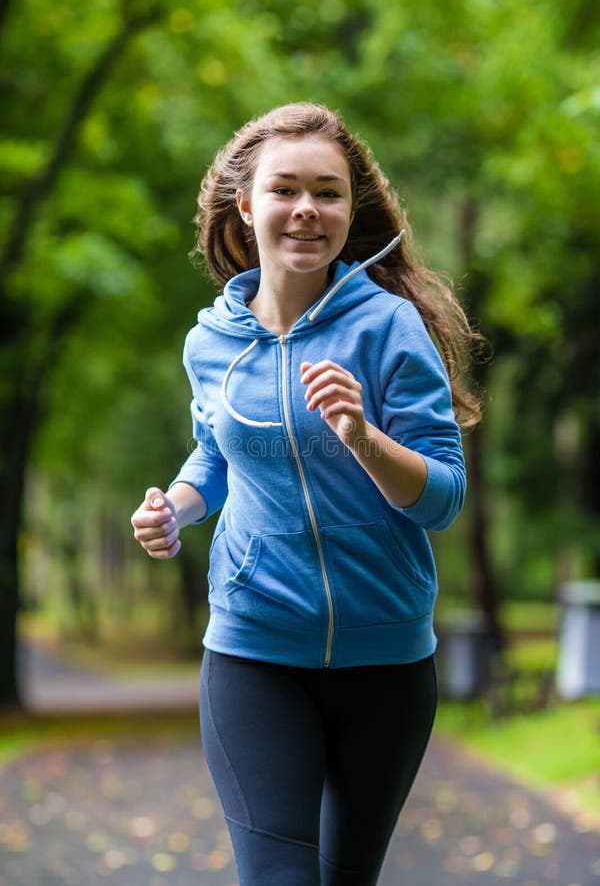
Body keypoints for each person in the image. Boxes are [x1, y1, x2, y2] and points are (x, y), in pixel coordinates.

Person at [131, 102, 481, 886]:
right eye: (285, 189)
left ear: (350, 210)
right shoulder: (209, 342)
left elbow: (443, 498)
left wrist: (364, 437)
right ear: (245, 204)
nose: (305, 210)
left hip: (386, 660)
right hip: (255, 648)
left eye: (327, 192)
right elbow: (215, 457)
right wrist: (173, 510)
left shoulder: (388, 329)